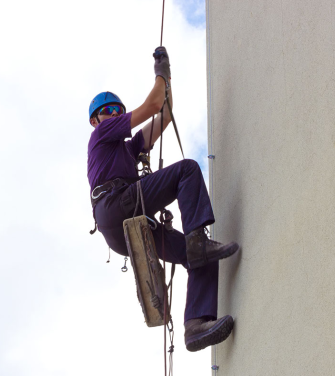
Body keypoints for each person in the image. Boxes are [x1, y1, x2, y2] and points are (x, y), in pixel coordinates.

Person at [87, 47, 239, 352]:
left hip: (123, 221)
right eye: (108, 111)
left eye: (118, 110)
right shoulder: (102, 134)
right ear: (96, 120)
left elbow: (164, 114)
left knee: (200, 258)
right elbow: (153, 105)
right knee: (187, 170)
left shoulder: (126, 150)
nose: (114, 115)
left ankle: (196, 325)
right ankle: (198, 240)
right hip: (116, 204)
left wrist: (167, 78)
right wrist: (160, 71)